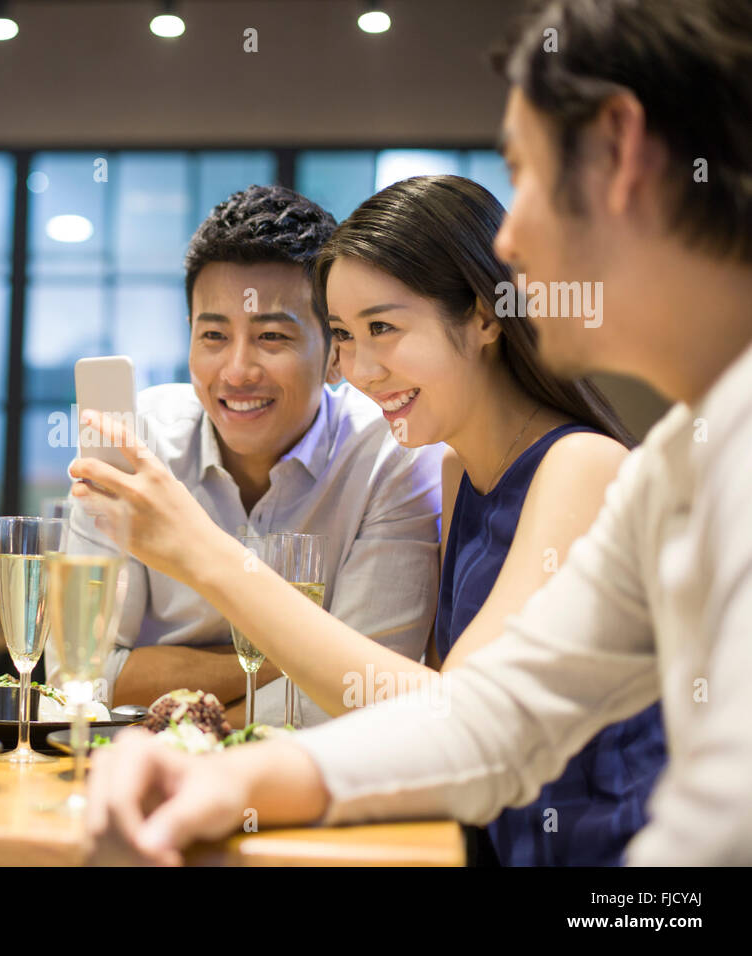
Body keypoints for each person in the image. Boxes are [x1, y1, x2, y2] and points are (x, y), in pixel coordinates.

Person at [83, 0, 752, 866]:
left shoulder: (608, 464)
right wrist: (233, 782)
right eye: (348, 336)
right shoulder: (673, 464)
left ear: (619, 150)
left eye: (528, 172)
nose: (511, 240)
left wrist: (202, 557)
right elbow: (489, 715)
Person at [71, 173, 667, 865]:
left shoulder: (582, 466)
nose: (358, 370)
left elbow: (455, 719)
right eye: (346, 337)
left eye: (383, 328)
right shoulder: (456, 471)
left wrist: (203, 552)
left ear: (482, 317)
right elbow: (431, 716)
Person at [46, 185, 445, 728]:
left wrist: (181, 710)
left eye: (272, 336)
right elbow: (78, 679)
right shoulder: (135, 444)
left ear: (335, 355)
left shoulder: (392, 458)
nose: (236, 371)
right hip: (138, 783)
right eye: (213, 334)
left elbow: (368, 694)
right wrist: (305, 651)